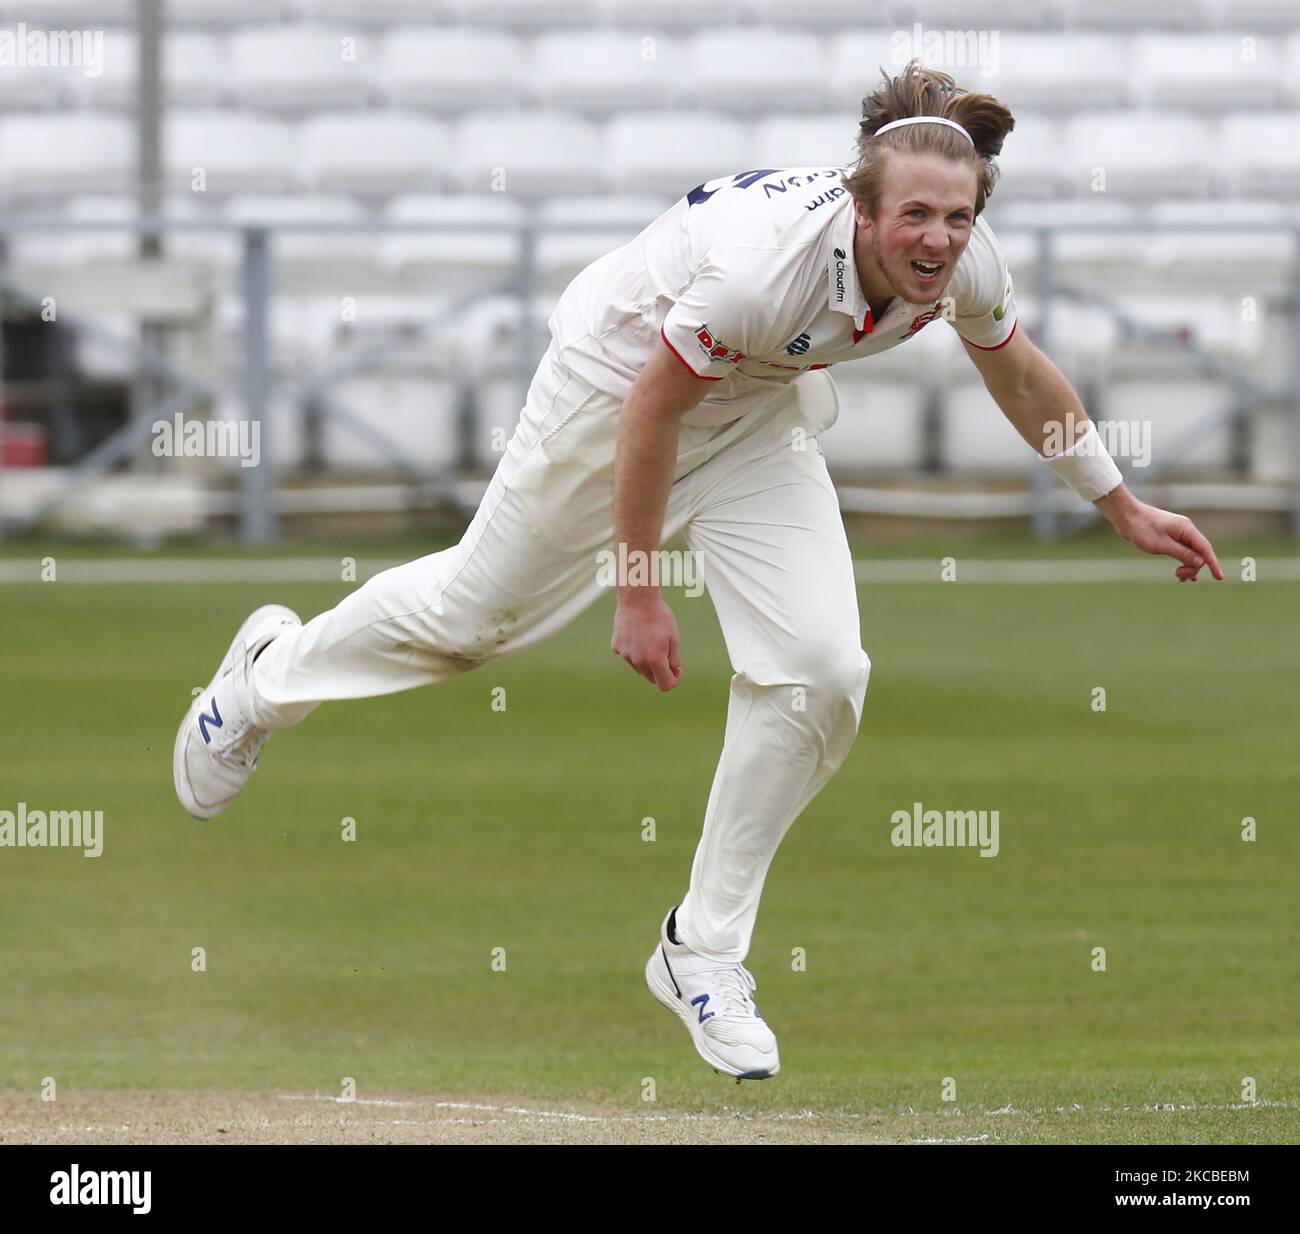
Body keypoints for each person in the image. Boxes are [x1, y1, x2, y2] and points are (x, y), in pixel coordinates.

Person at [173, 63, 1223, 1082]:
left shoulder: (965, 262)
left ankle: (700, 951)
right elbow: (652, 409)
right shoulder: (764, 270)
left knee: (822, 670)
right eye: (914, 217)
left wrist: (1117, 502)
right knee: (469, 621)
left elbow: (1018, 369)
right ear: (862, 211)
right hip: (614, 388)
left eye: (955, 217)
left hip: (758, 414)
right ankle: (262, 683)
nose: (936, 240)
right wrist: (638, 589)